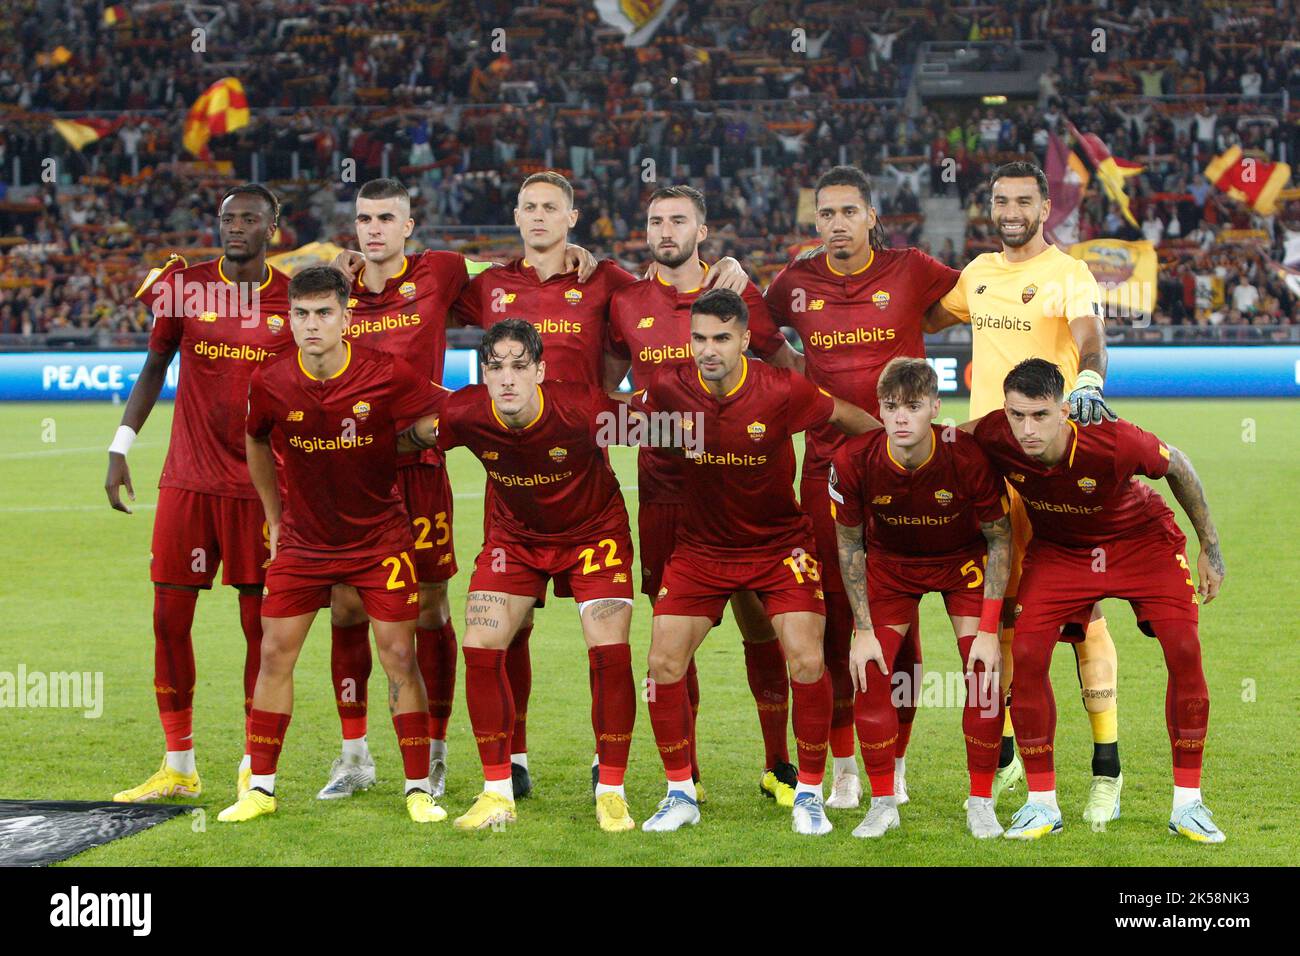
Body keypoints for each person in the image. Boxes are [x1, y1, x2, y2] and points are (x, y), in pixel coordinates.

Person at [450, 170, 746, 796]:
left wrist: (732, 268)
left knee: (608, 636)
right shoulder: (489, 284)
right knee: (512, 627)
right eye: (527, 206)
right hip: (514, 487)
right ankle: (517, 757)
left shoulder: (606, 279)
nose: (538, 217)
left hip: (585, 475)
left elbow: (665, 295)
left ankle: (605, 765)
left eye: (550, 208)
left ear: (572, 218)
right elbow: (414, 288)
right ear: (515, 214)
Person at [323, 178, 599, 801]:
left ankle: (440, 753)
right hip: (349, 472)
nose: (374, 230)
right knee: (345, 608)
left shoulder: (443, 271)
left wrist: (579, 254)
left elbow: (511, 272)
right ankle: (354, 753)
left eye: (387, 218)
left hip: (419, 470)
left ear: (409, 225)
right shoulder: (334, 291)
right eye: (365, 218)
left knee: (429, 608)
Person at [631, 289, 875, 835]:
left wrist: (894, 454)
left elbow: (844, 415)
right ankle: (679, 793)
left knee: (807, 660)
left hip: (778, 547)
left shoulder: (781, 388)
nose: (708, 349)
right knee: (662, 662)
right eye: (699, 338)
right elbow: (621, 423)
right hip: (700, 551)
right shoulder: (669, 386)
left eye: (721, 338)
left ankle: (810, 793)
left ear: (745, 339)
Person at [929, 160, 1125, 825]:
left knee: (1082, 617)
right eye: (999, 199)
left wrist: (1092, 376)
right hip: (991, 471)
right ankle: (1010, 751)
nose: (1009, 209)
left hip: (1053, 469)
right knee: (1002, 616)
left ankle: (1108, 766)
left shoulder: (1068, 274)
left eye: (1022, 200)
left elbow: (1091, 334)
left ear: (1045, 209)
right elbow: (919, 313)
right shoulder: (977, 275)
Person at [219, 265, 447, 824]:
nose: (312, 324)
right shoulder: (269, 381)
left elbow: (442, 414)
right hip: (304, 543)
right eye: (301, 314)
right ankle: (261, 790)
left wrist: (404, 440)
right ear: (289, 319)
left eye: (324, 313)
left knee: (399, 656)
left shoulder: (386, 372)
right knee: (275, 653)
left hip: (380, 541)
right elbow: (254, 441)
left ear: (347, 318)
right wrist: (275, 517)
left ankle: (417, 788)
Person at [766, 165, 960, 809]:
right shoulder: (794, 283)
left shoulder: (910, 268)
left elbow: (975, 300)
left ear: (872, 216)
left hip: (901, 474)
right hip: (824, 471)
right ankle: (846, 763)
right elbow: (758, 336)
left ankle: (895, 760)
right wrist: (797, 375)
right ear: (814, 221)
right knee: (837, 618)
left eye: (849, 212)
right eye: (826, 214)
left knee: (897, 618)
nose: (837, 225)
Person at [967, 359, 1225, 843]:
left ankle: (1189, 803)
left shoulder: (1112, 438)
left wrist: (1209, 547)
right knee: (1026, 654)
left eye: (1040, 415)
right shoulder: (993, 434)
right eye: (1016, 415)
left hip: (1140, 542)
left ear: (1064, 410)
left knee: (1184, 650)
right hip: (1062, 553)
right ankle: (1041, 804)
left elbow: (1179, 465)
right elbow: (942, 440)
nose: (1026, 429)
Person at [604, 184, 804, 806]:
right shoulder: (625, 302)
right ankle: (682, 776)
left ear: (703, 229)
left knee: (759, 625)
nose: (665, 230)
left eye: (678, 220)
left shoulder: (737, 294)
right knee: (674, 635)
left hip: (749, 486)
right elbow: (607, 399)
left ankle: (778, 764)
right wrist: (665, 424)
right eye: (656, 220)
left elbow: (790, 370)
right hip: (667, 493)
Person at [402, 319, 638, 832]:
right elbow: (411, 437)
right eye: (495, 368)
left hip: (594, 534)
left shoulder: (582, 408)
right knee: (480, 645)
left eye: (518, 367)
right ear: (482, 373)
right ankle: (496, 793)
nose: (507, 379)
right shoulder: (465, 412)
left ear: (540, 370)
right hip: (515, 540)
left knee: (608, 649)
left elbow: (654, 425)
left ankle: (612, 791)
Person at [108, 184, 291, 803]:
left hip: (259, 489)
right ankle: (179, 763)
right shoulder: (184, 286)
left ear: (273, 227)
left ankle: (253, 764)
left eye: (249, 219)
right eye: (227, 218)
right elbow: (155, 366)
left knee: (258, 630)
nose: (235, 227)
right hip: (188, 480)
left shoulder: (295, 298)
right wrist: (120, 445)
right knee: (167, 620)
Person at [830, 358, 1011, 839]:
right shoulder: (853, 460)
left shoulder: (967, 456)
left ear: (935, 406)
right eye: (891, 407)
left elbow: (999, 539)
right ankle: (884, 801)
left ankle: (981, 801)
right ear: (880, 410)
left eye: (913, 406)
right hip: (891, 569)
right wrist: (862, 630)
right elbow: (849, 545)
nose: (902, 418)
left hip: (962, 564)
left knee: (983, 674)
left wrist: (990, 630)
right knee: (869, 673)